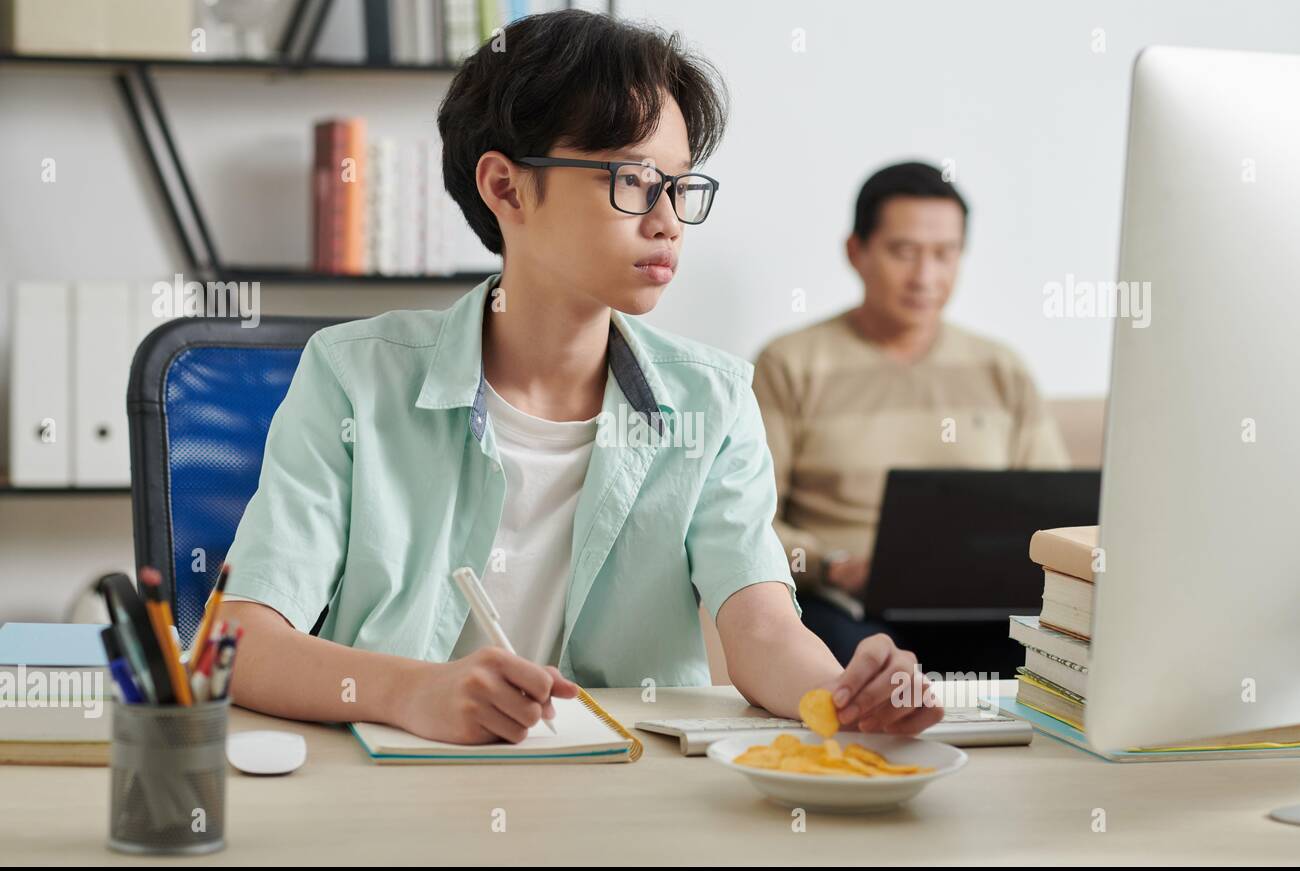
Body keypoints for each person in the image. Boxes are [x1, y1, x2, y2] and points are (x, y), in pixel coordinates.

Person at [215, 12, 943, 743]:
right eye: (631, 180)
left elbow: (761, 630)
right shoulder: (353, 376)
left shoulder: (711, 402)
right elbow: (240, 642)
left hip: (624, 794)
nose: (667, 221)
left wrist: (845, 691)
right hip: (398, 785)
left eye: (680, 186)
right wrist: (414, 692)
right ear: (506, 189)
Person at [754, 161, 1069, 665]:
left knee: (1054, 662)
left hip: (979, 606)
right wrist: (832, 566)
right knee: (863, 673)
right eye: (903, 252)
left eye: (945, 254)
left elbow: (1055, 518)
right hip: (844, 605)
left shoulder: (1000, 368)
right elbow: (751, 519)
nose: (926, 276)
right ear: (856, 252)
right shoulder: (789, 364)